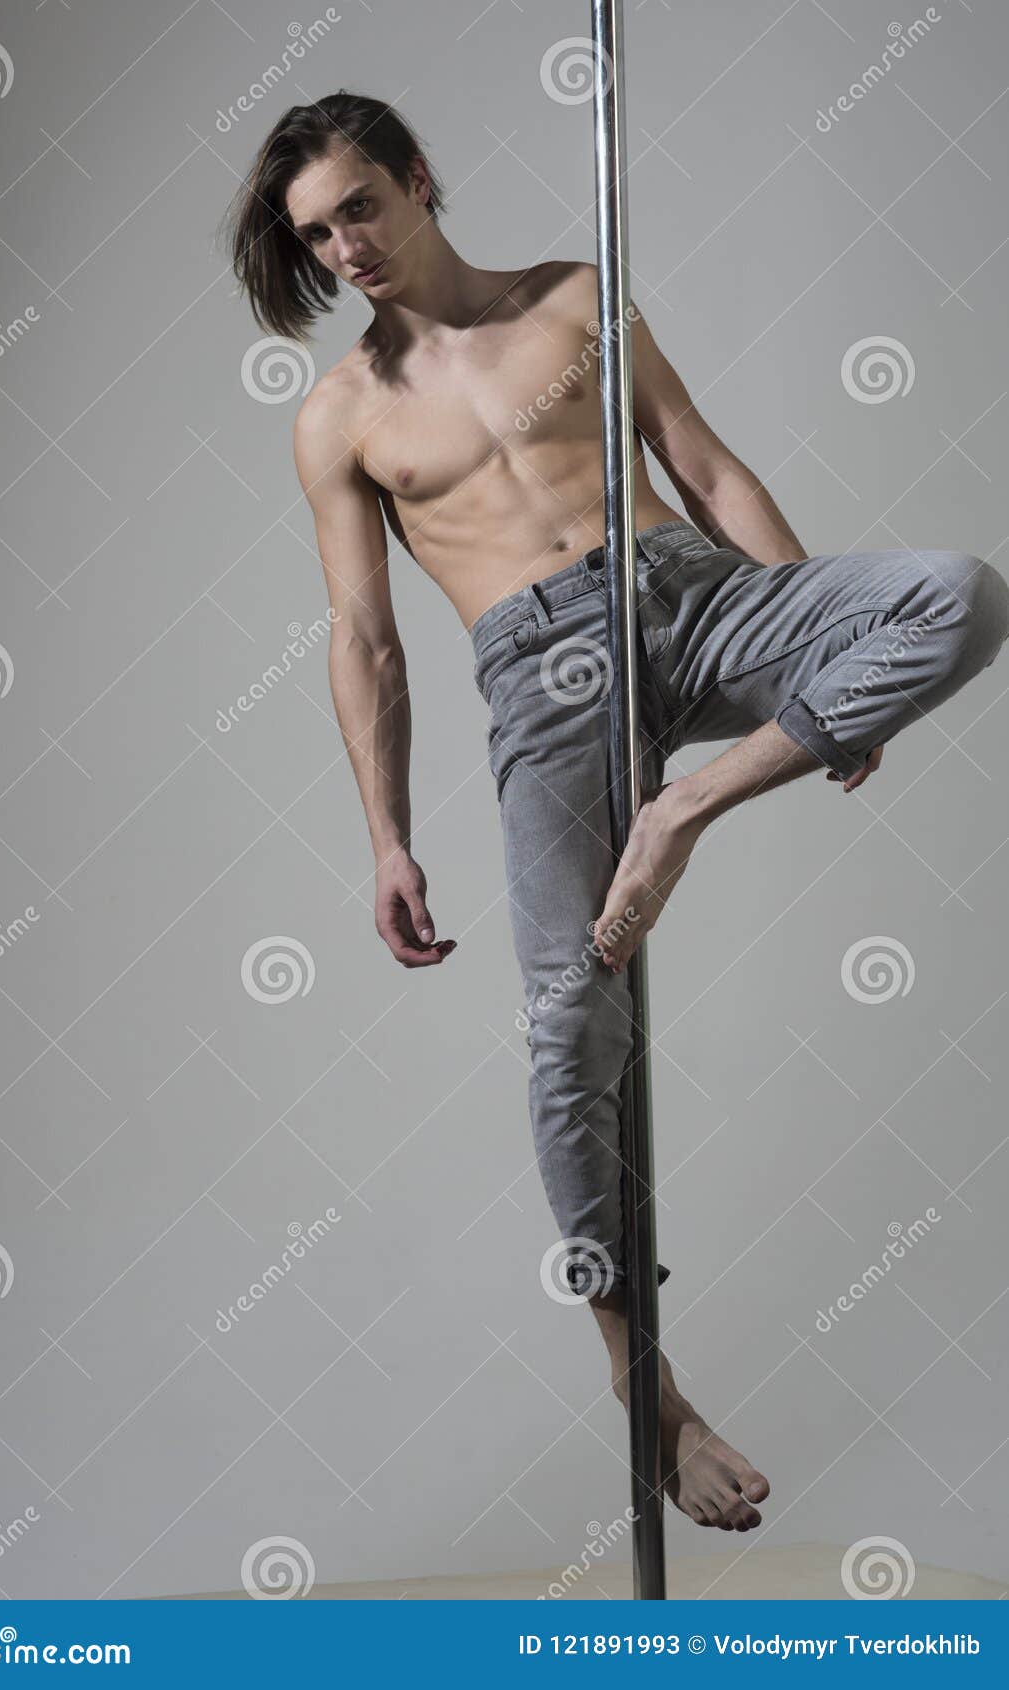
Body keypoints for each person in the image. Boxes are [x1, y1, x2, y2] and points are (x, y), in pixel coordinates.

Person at [223, 90, 1009, 1534]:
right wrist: (386, 837)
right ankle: (649, 1393)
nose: (346, 248)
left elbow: (699, 465)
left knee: (961, 593)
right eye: (318, 235)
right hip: (539, 680)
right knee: (567, 1029)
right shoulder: (338, 417)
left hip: (689, 603)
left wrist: (819, 666)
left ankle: (682, 812)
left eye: (359, 207)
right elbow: (367, 639)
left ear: (416, 176)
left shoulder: (576, 295)